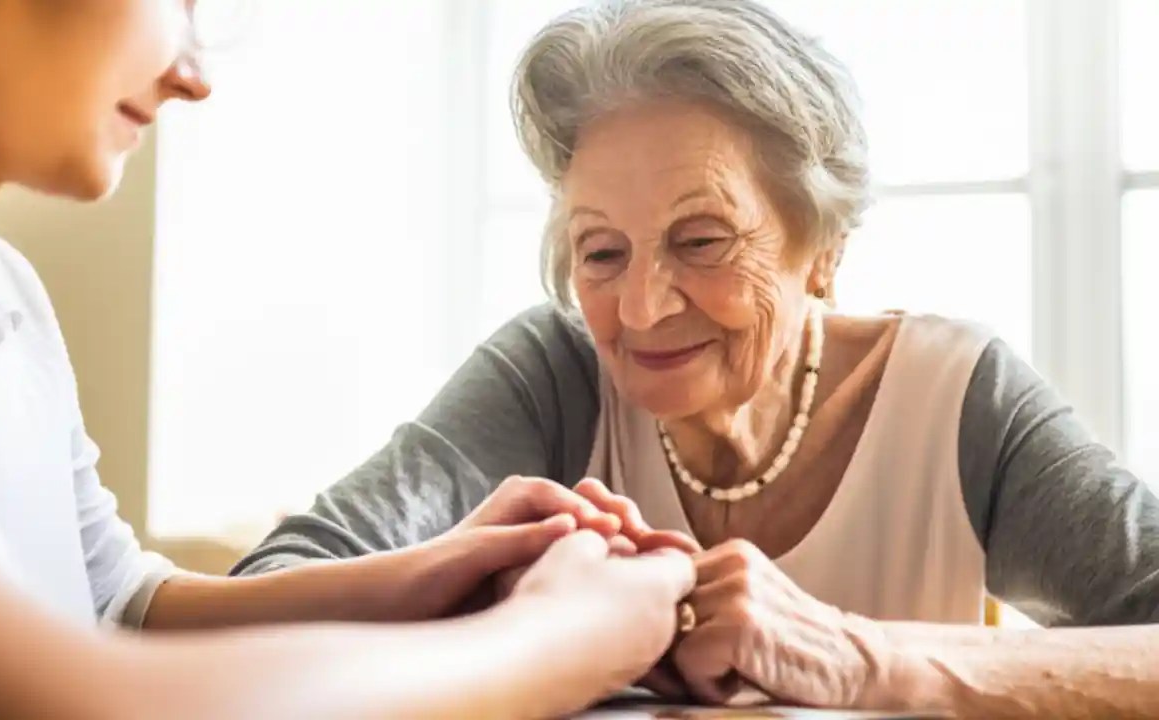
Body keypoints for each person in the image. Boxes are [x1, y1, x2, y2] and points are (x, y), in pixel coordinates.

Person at [236, 0, 1159, 714]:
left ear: (823, 248)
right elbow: (265, 597)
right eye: (601, 252)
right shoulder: (551, 376)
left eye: (702, 240)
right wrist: (507, 608)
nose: (640, 308)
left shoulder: (956, 398)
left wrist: (857, 656)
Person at [0, 2, 698, 718]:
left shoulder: (5, 297)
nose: (191, 75)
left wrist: (430, 576)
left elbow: (120, 602)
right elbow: (105, 703)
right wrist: (561, 640)